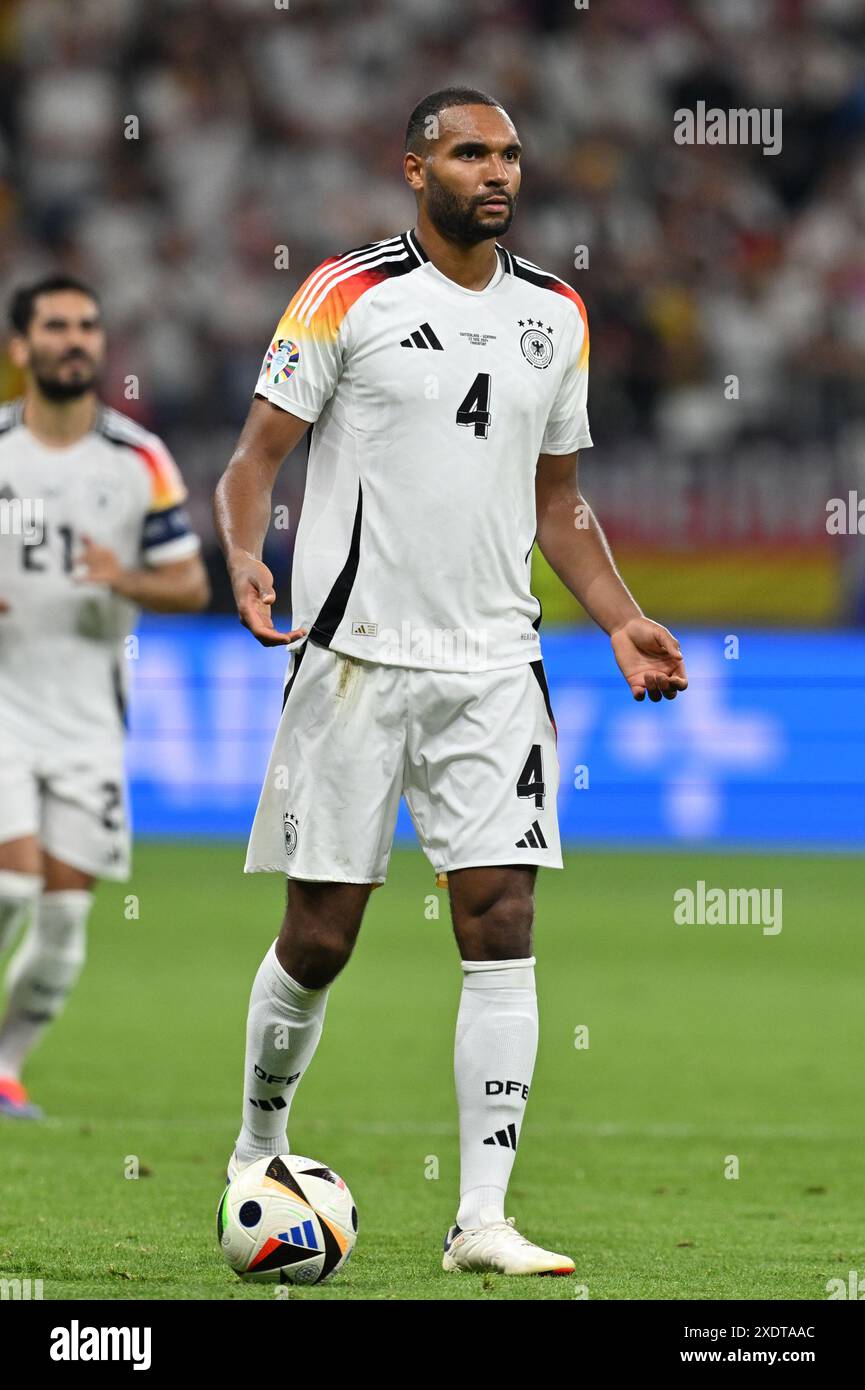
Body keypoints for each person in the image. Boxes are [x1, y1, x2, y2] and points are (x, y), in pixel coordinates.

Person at [214, 88, 687, 1276]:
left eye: (512, 154)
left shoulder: (555, 314)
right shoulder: (347, 294)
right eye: (471, 152)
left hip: (493, 667)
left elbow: (557, 500)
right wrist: (241, 553)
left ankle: (481, 1218)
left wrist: (622, 618)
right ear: (413, 167)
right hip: (354, 660)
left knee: (503, 921)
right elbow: (253, 460)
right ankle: (256, 1145)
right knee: (321, 937)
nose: (498, 172)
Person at [0, 274, 209, 1118]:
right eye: (55, 327)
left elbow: (192, 582)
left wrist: (124, 576)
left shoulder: (135, 460)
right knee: (11, 888)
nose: (74, 340)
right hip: (4, 710)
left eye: (87, 326)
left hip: (89, 721)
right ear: (22, 348)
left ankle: (6, 1069)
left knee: (62, 927)